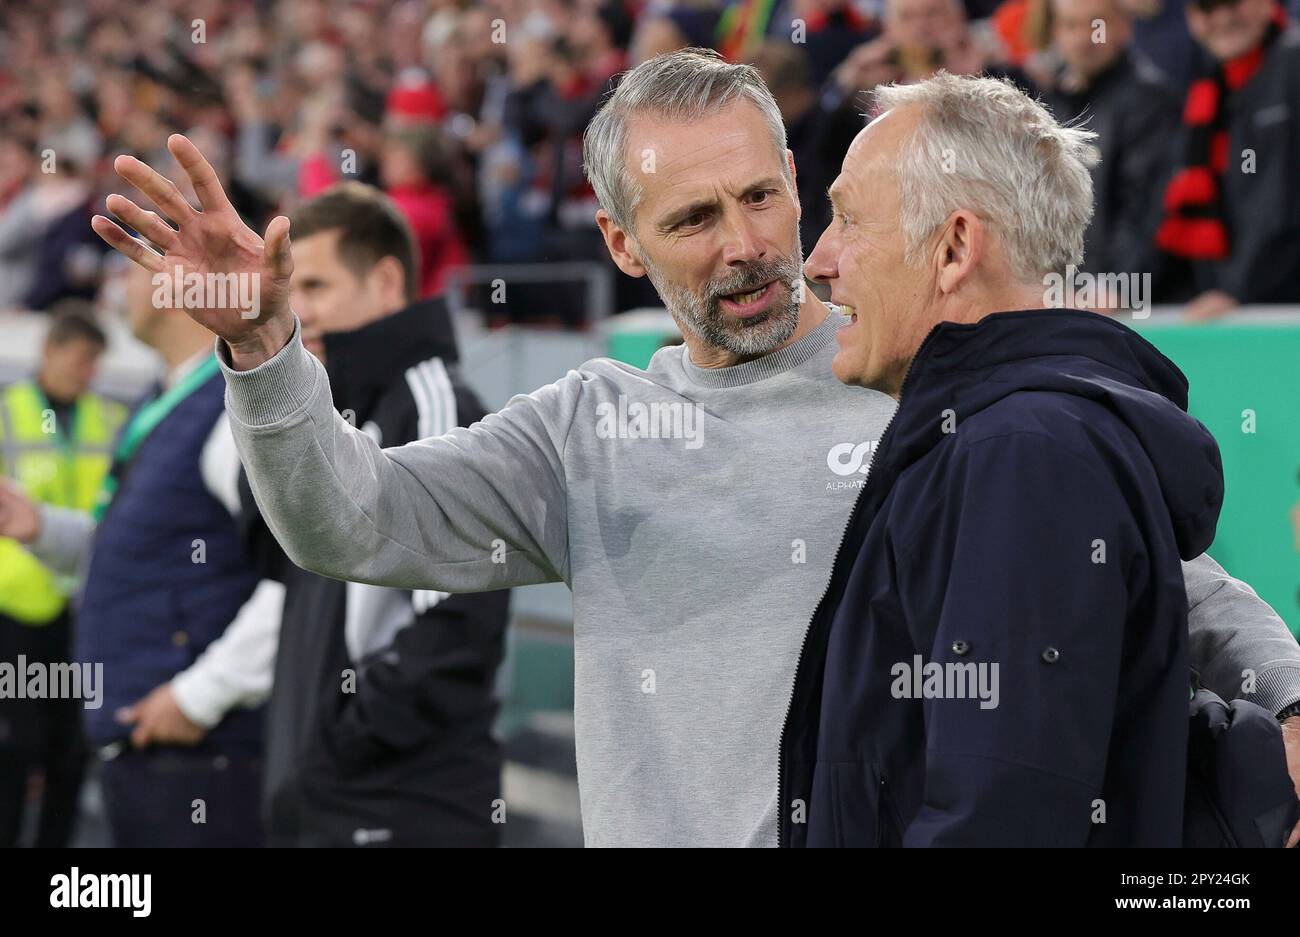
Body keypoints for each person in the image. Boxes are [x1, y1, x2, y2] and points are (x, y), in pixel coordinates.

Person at [89, 49, 1300, 848]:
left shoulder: (932, 385)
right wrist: (264, 346)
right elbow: (346, 521)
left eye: (763, 197)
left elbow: (1168, 583)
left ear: (797, 181)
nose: (746, 245)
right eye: (692, 219)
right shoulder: (585, 431)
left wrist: (1290, 706)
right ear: (621, 245)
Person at [788, 71, 1296, 846]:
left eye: (848, 219)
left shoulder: (1022, 455)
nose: (818, 260)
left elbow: (1000, 822)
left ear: (955, 247)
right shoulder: (1005, 438)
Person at [247, 183, 510, 847]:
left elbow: (454, 626)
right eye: (289, 290)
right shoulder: (345, 411)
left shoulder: (433, 405)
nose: (298, 312)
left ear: (387, 280)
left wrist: (338, 742)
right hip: (333, 803)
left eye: (316, 286)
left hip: (399, 807)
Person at [0, 264, 283, 847]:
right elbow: (139, 554)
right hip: (153, 748)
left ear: (176, 285)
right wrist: (42, 529)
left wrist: (199, 694)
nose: (113, 291)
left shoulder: (233, 407)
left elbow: (303, 574)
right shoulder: (166, 395)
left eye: (127, 273)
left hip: (196, 754)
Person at [0, 309, 125, 847]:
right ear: (49, 351)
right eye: (79, 359)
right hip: (17, 608)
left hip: (84, 610)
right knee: (14, 748)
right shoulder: (7, 415)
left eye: (95, 362)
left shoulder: (113, 420)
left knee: (71, 751)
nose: (87, 372)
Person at [1157, 0, 1300, 316]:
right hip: (1233, 305)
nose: (1222, 17)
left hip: (1278, 309)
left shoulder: (1292, 61)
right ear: (1191, 19)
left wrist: (1237, 290)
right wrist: (1123, 287)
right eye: (1207, 7)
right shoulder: (1208, 87)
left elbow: (1281, 204)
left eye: (1233, 2)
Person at [1041, 0, 1181, 288]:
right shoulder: (1049, 105)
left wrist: (1118, 287)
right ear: (1055, 32)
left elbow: (1150, 211)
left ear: (1124, 27)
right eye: (1070, 25)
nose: (1083, 39)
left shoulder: (1152, 103)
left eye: (1096, 25)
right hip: (1068, 298)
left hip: (1127, 304)